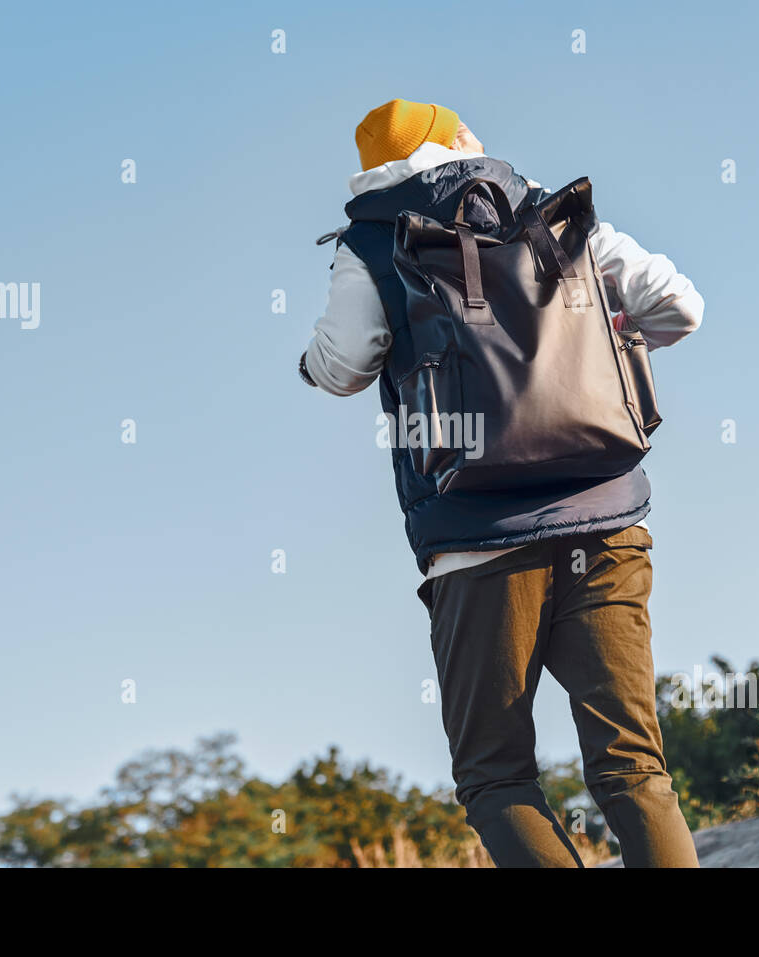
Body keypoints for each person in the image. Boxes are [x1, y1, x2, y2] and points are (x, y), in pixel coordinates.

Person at [299, 99, 705, 867]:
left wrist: (309, 364)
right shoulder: (552, 210)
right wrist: (604, 339)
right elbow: (679, 308)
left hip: (474, 541)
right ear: (456, 141)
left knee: (496, 777)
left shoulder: (371, 240)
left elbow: (346, 362)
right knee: (631, 765)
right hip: (605, 515)